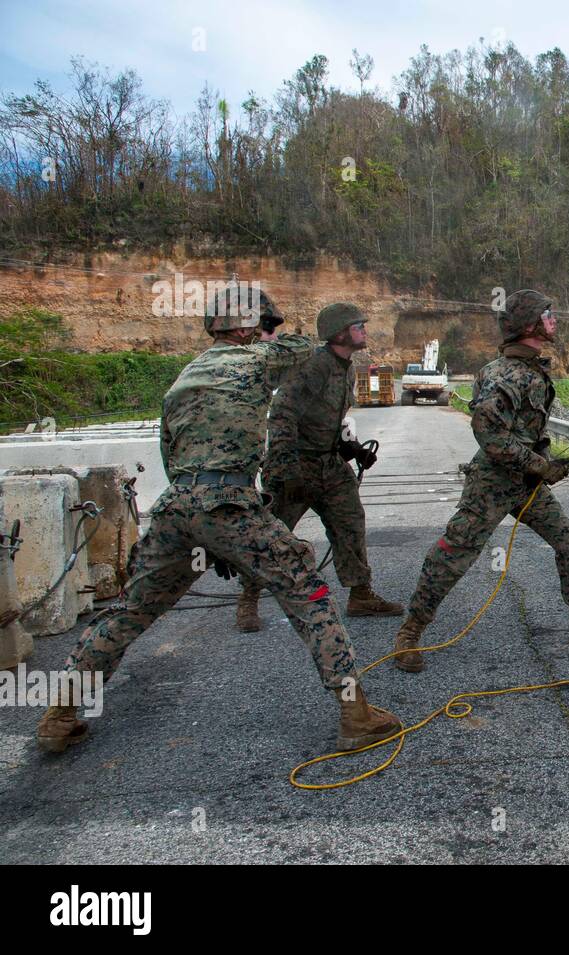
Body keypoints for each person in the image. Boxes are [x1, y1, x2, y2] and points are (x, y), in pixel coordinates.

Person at [36, 285, 400, 754]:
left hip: (177, 505)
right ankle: (356, 714)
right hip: (228, 500)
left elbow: (169, 452)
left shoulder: (182, 379)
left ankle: (59, 713)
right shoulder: (255, 360)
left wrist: (202, 532)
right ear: (251, 326)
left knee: (131, 611)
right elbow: (298, 347)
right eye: (266, 323)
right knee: (309, 594)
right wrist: (270, 327)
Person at [391, 289, 569, 672]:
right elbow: (490, 435)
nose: (554, 320)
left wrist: (545, 462)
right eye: (548, 315)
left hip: (526, 484)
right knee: (453, 553)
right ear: (532, 325)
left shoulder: (530, 369)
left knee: (568, 543)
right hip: (492, 485)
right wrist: (538, 465)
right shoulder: (504, 374)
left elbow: (523, 429)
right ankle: (409, 634)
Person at [235, 303, 403, 631]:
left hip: (328, 462)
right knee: (271, 533)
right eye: (359, 326)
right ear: (341, 333)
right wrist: (286, 471)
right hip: (295, 462)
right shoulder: (314, 365)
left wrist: (351, 448)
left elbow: (331, 420)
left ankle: (360, 594)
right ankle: (248, 598)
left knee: (350, 521)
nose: (365, 330)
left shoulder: (347, 368)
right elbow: (282, 415)